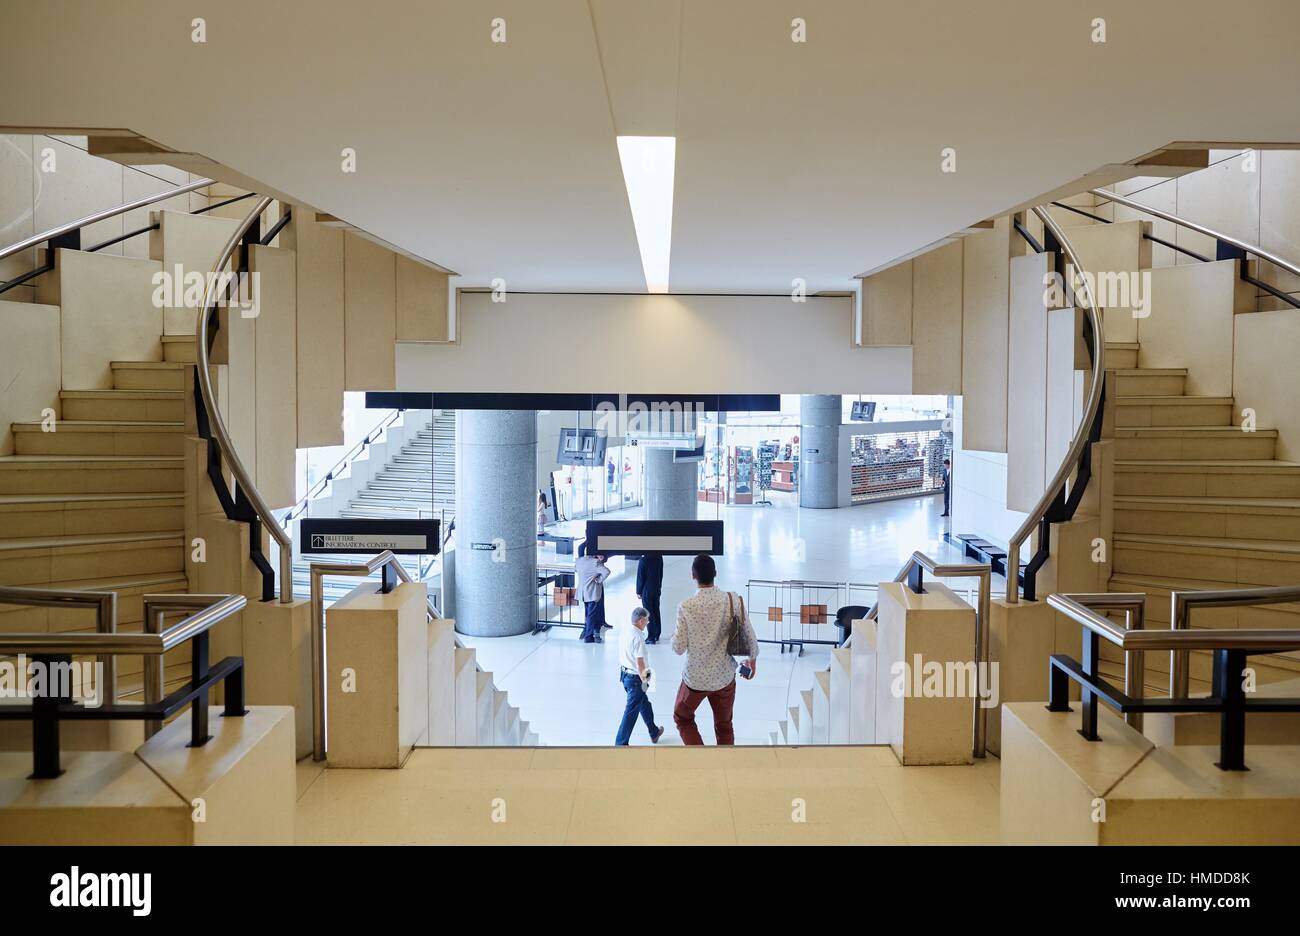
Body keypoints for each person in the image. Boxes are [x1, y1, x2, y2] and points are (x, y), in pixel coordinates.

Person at [670, 554, 758, 745]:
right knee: (724, 725)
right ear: (715, 574)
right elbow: (751, 637)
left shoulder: (685, 607)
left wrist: (673, 637)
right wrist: (752, 661)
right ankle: (724, 764)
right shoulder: (732, 600)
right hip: (724, 677)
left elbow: (678, 648)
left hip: (695, 680)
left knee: (682, 718)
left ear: (693, 576)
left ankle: (701, 759)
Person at [615, 607, 665, 745]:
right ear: (641, 620)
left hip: (625, 676)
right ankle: (620, 743)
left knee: (644, 704)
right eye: (647, 620)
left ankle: (654, 732)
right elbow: (640, 664)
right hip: (636, 679)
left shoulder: (626, 631)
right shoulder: (638, 637)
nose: (648, 622)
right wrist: (646, 681)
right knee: (630, 713)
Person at [575, 550, 610, 643]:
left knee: (587, 613)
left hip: (582, 593)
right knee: (591, 615)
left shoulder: (578, 561)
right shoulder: (595, 563)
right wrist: (599, 580)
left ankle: (587, 632)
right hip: (592, 592)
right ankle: (588, 637)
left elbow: (577, 570)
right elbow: (607, 572)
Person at [635, 552, 664, 644]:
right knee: (656, 610)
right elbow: (661, 574)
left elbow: (640, 578)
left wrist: (638, 591)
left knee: (648, 613)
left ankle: (651, 637)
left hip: (646, 590)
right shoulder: (659, 557)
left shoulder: (643, 560)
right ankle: (657, 634)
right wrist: (659, 586)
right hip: (656, 588)